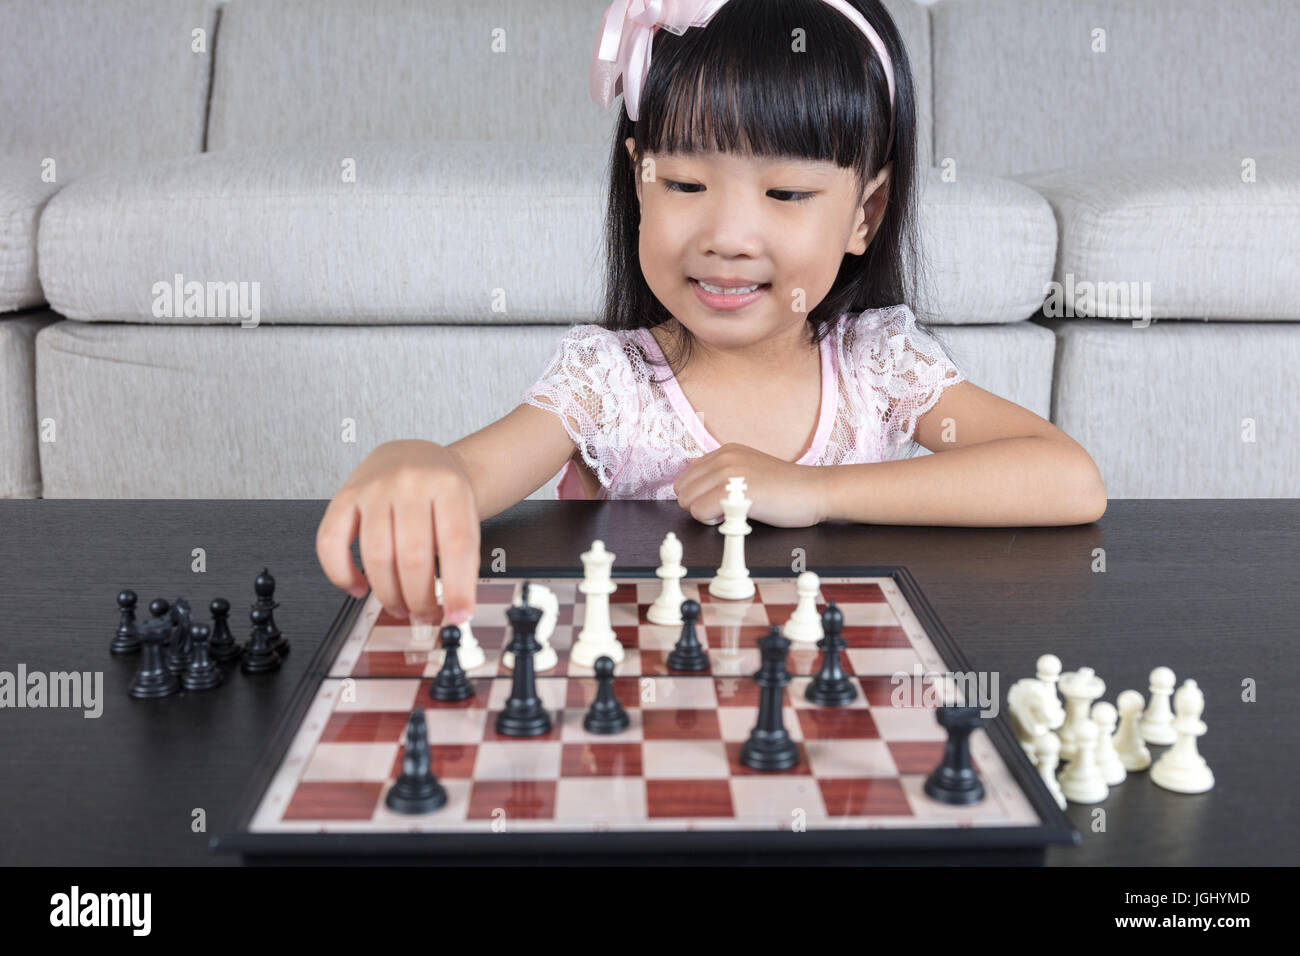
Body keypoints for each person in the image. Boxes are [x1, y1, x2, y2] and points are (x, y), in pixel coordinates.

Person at [316, 0, 1106, 626]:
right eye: (685, 186)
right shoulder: (611, 383)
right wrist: (413, 461)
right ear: (638, 184)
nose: (727, 238)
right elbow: (469, 474)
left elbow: (1068, 481)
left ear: (867, 211)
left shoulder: (876, 367)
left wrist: (817, 490)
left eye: (786, 194)